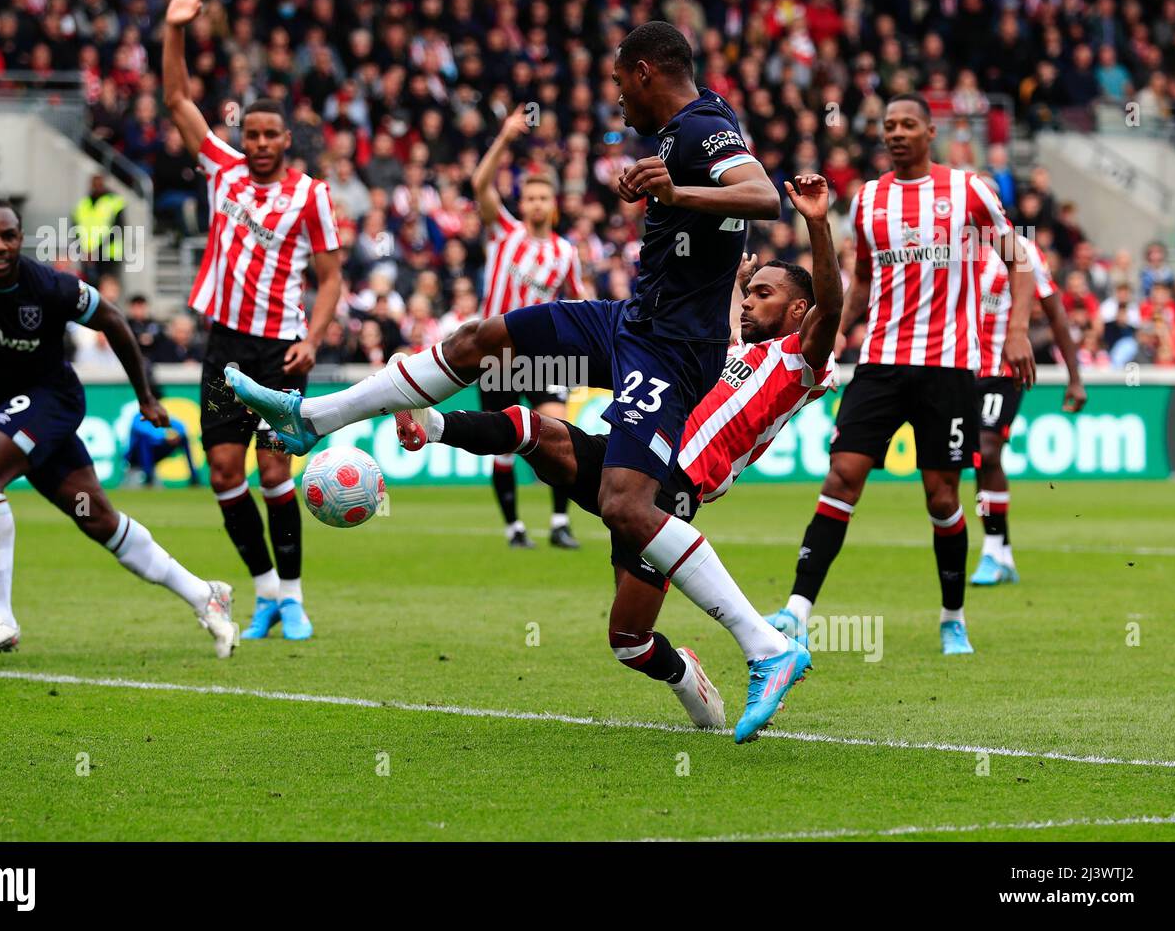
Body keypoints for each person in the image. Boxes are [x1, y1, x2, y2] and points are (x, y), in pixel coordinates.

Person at [228, 21, 809, 742]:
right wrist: (669, 185)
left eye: (618, 81)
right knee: (484, 340)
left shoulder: (702, 126)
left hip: (672, 351)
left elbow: (763, 198)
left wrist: (681, 190)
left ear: (644, 73)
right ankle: (313, 418)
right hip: (629, 322)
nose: (615, 98)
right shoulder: (675, 136)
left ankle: (768, 646)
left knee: (626, 506)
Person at [397, 175, 841, 733]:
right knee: (531, 429)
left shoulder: (800, 358)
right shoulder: (726, 345)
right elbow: (721, 317)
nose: (751, 303)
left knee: (629, 641)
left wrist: (817, 222)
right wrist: (732, 283)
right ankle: (431, 423)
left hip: (673, 489)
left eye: (765, 295)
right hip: (634, 450)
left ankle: (734, 660)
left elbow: (833, 301)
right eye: (750, 294)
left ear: (800, 309)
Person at [764, 93, 1037, 656]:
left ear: (931, 130)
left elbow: (1020, 257)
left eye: (908, 124)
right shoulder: (868, 200)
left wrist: (1015, 331)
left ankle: (952, 616)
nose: (896, 133)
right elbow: (861, 279)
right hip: (882, 362)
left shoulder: (968, 192)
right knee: (842, 476)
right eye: (888, 125)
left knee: (940, 497)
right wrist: (837, 325)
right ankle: (796, 611)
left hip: (949, 368)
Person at [0, 198, 236, 660]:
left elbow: (115, 322)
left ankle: (0, 617)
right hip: (14, 410)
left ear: (21, 238)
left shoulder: (49, 285)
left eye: (8, 236)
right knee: (97, 518)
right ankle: (205, 594)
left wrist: (145, 396)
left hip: (53, 400)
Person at [163, 0, 343, 641]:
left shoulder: (312, 196)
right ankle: (264, 591)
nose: (262, 144)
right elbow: (176, 97)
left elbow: (330, 278)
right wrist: (176, 26)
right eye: (254, 134)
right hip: (225, 345)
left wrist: (316, 339)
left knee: (273, 470)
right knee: (222, 471)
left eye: (272, 136)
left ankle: (292, 596)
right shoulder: (222, 168)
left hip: (280, 350)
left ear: (287, 139)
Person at [471, 109, 590, 549]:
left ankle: (559, 522)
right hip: (497, 355)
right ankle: (514, 527)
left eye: (543, 198)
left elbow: (579, 305)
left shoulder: (566, 252)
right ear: (522, 204)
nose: (536, 204)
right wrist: (504, 137)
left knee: (558, 433)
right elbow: (480, 185)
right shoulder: (503, 232)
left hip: (544, 358)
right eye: (530, 198)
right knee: (503, 442)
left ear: (553, 205)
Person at [971, 236, 1085, 585]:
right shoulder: (952, 245)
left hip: (1005, 370)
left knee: (988, 450)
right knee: (978, 457)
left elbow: (1055, 314)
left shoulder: (1023, 250)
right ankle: (1003, 552)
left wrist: (1075, 378)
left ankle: (992, 550)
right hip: (959, 369)